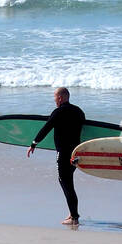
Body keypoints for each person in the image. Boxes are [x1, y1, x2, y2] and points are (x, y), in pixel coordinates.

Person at [27, 86, 85, 224]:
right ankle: (72, 213)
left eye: (55, 97)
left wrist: (34, 143)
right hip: (76, 152)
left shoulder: (58, 112)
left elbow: (46, 128)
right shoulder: (79, 111)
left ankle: (74, 217)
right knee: (68, 181)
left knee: (65, 182)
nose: (54, 100)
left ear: (60, 97)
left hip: (64, 153)